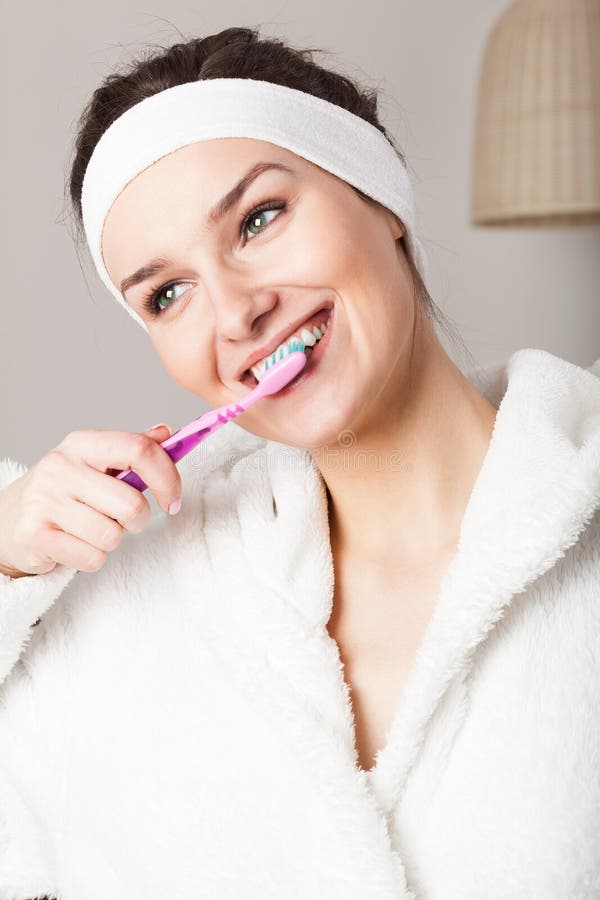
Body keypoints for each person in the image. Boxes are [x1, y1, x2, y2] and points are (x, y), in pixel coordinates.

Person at [0, 26, 599, 900]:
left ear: (382, 198)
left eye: (260, 219)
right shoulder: (120, 620)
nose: (236, 313)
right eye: (168, 294)